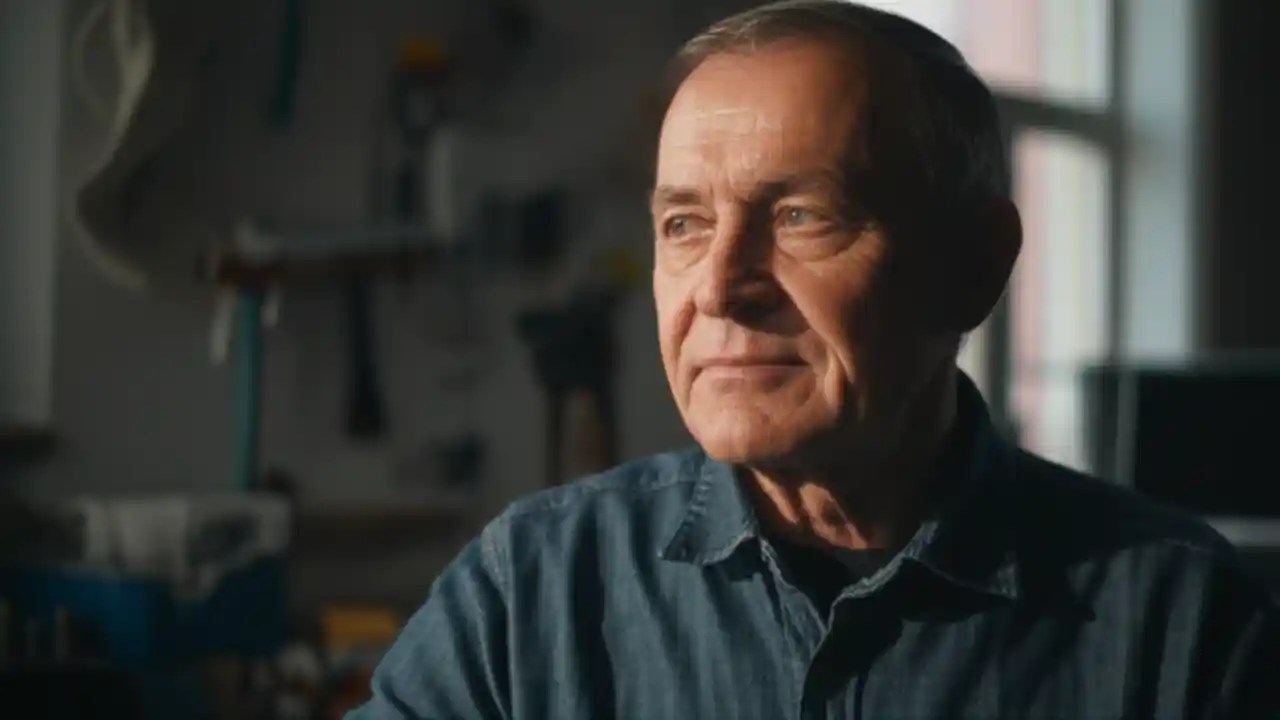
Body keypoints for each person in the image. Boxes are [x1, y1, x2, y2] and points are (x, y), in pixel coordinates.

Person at [350, 2, 1279, 717]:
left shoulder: (1181, 623)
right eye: (684, 225)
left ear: (976, 267)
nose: (718, 286)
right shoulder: (535, 591)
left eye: (801, 216)